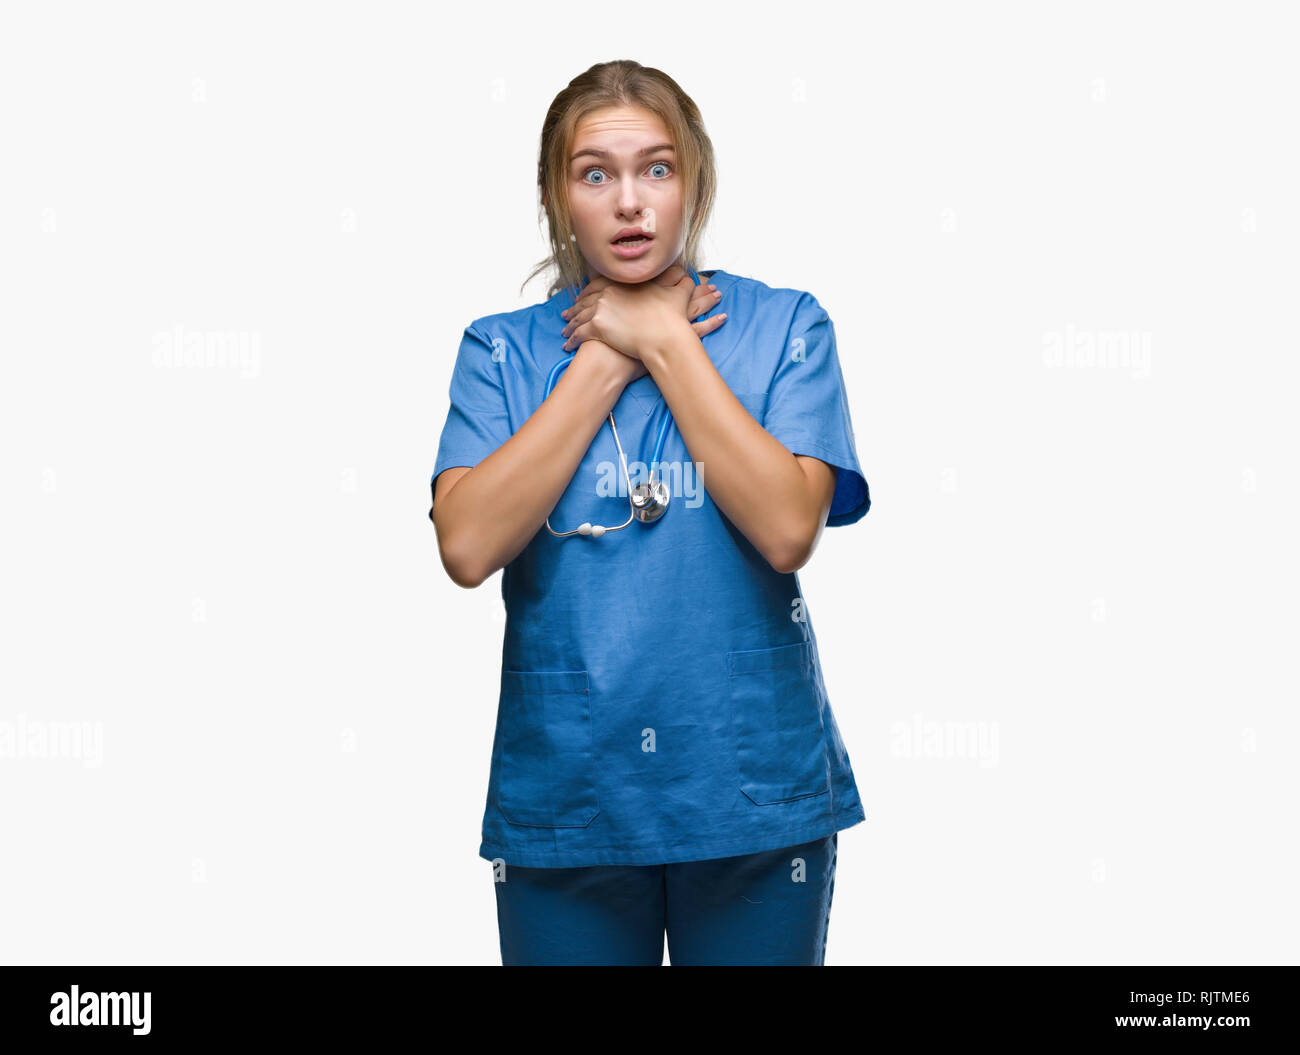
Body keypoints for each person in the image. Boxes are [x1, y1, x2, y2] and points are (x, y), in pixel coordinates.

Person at [428, 60, 871, 966]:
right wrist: (603, 357)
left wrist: (667, 340)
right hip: (569, 793)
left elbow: (789, 530)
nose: (630, 202)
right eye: (595, 173)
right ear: (558, 195)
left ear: (695, 182)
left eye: (657, 170)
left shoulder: (787, 328)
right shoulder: (500, 352)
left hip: (748, 796)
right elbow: (468, 545)